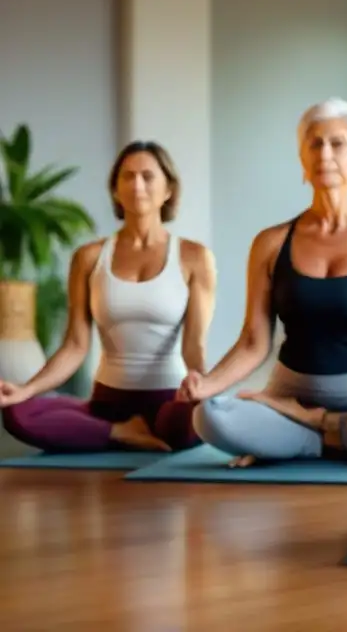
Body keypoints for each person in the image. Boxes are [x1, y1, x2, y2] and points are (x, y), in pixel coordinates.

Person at [183, 98, 347, 468]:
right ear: (303, 161)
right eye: (315, 143)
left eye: (337, 143)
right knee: (208, 416)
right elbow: (253, 341)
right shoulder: (271, 243)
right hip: (290, 392)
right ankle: (343, 440)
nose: (325, 153)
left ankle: (307, 432)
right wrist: (208, 386)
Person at [0, 141, 216, 453]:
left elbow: (194, 345)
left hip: (170, 400)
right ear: (115, 190)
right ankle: (119, 431)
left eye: (147, 176)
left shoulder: (194, 257)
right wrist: (25, 389)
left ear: (168, 189)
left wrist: (204, 387)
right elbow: (76, 344)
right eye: (127, 176)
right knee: (16, 412)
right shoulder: (89, 257)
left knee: (197, 419)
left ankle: (113, 434)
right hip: (108, 401)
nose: (136, 185)